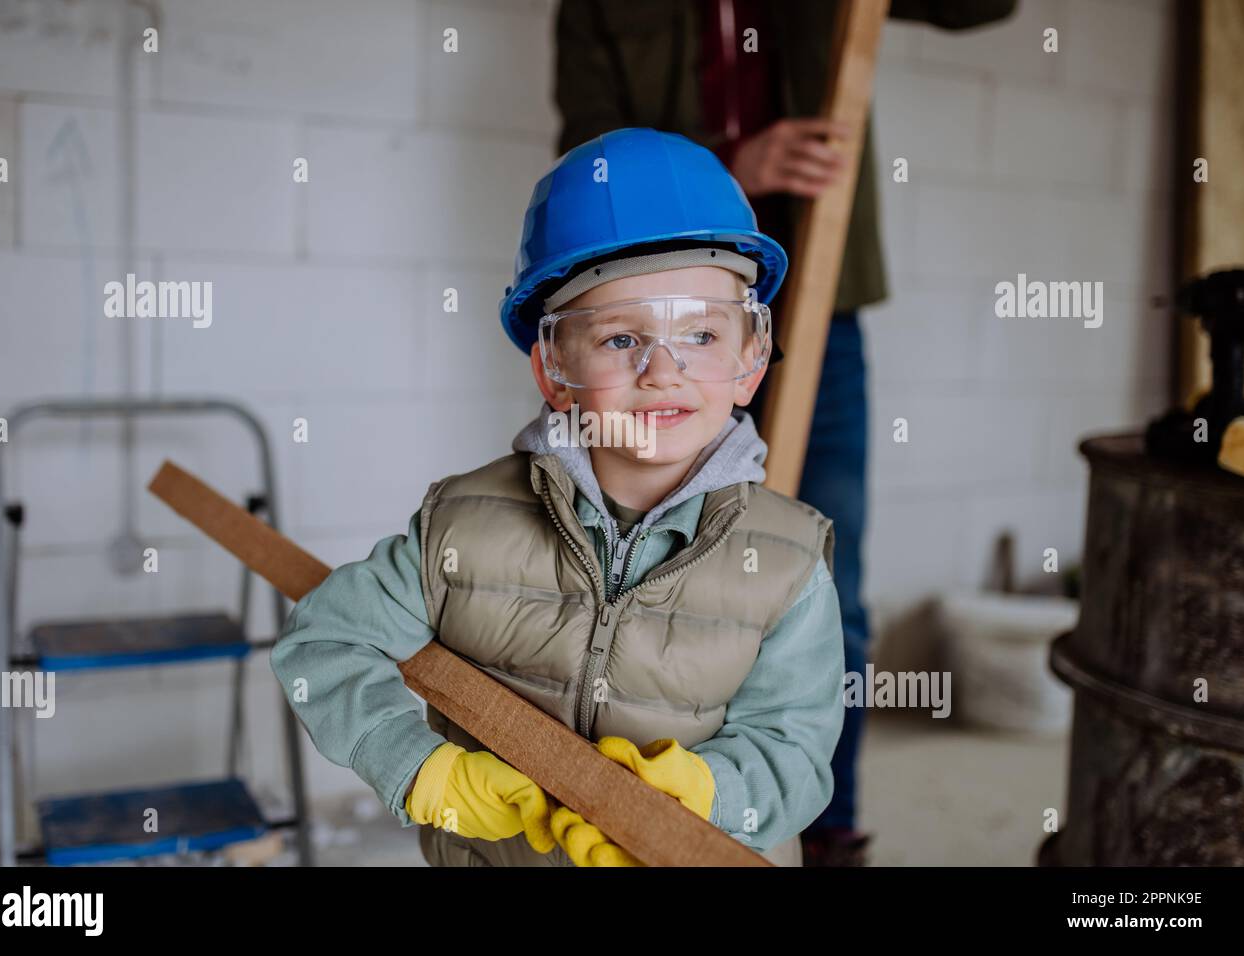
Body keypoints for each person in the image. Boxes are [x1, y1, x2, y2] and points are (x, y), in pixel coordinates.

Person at [271, 127, 845, 866]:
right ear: (552, 366)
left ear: (751, 358)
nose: (663, 371)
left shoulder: (790, 563)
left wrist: (702, 796)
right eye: (618, 340)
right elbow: (323, 645)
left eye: (701, 335)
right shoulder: (461, 527)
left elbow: (794, 751)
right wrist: (424, 772)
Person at [554, 0, 1018, 865]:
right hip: (662, 311)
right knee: (642, 570)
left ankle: (829, 832)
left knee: (828, 586)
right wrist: (735, 164)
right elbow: (588, 157)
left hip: (821, 301)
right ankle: (662, 812)